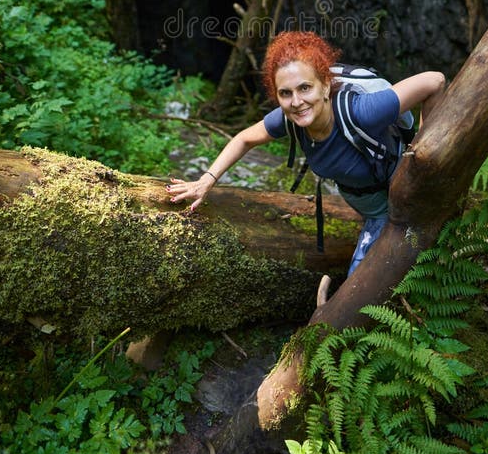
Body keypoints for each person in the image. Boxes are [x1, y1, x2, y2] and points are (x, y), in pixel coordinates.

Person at [167, 31, 445, 276]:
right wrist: (207, 180)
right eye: (285, 93)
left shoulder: (362, 112)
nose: (297, 102)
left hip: (398, 202)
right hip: (368, 205)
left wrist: (419, 153)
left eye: (305, 88)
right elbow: (243, 139)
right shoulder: (289, 118)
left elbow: (434, 80)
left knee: (358, 294)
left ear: (325, 84)